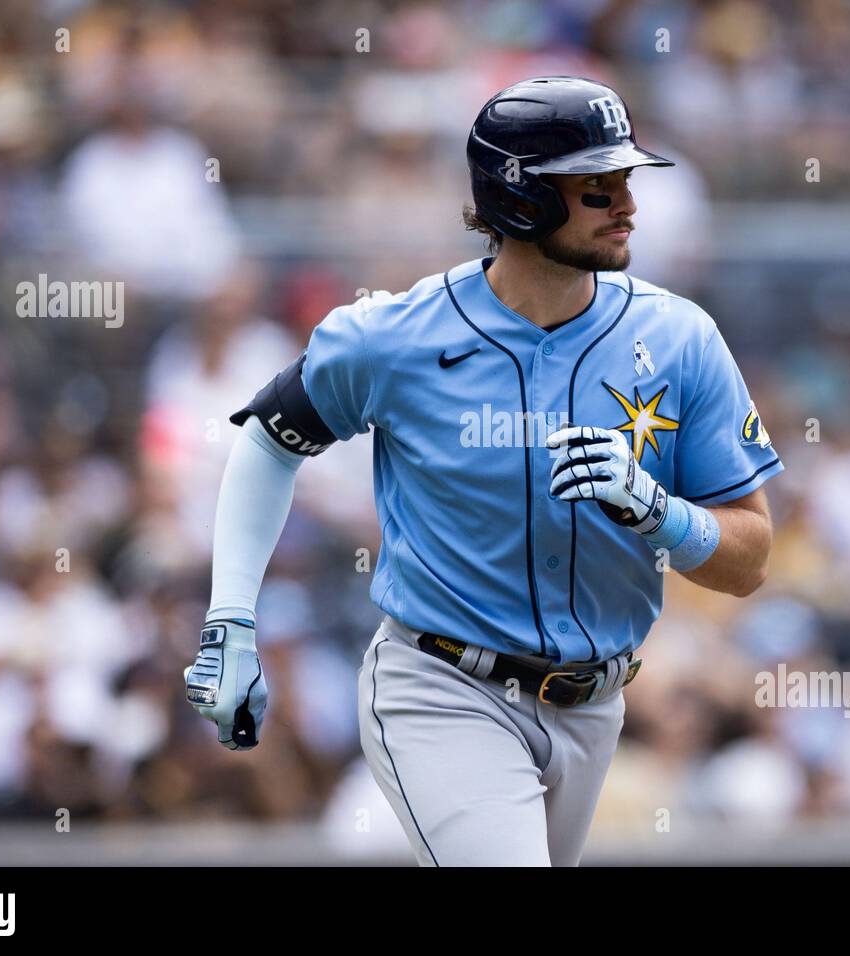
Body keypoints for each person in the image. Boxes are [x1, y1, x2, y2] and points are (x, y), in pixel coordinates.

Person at [184, 76, 783, 866]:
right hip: (440, 687)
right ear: (522, 197)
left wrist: (656, 510)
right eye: (595, 186)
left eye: (625, 181)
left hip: (595, 703)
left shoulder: (681, 337)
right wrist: (231, 618)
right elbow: (268, 441)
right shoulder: (393, 336)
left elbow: (750, 560)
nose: (627, 204)